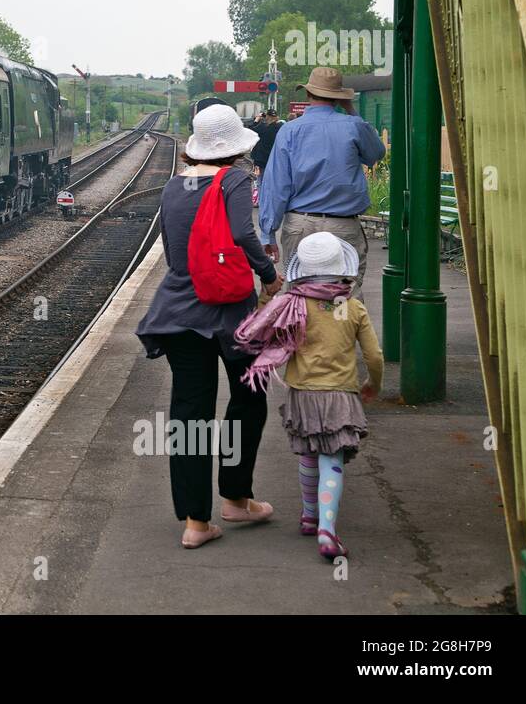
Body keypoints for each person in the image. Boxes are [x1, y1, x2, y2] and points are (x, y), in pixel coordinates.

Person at [136, 103, 284, 549]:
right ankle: (236, 498)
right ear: (234, 147)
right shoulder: (235, 178)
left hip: (179, 313)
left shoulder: (173, 186)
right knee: (248, 398)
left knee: (189, 414)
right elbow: (242, 232)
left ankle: (195, 523)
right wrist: (268, 273)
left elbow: (172, 251)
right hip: (230, 315)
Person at [234, 232, 382, 560]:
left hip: (302, 393)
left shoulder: (293, 305)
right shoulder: (352, 307)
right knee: (333, 458)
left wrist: (263, 295)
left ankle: (309, 515)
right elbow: (374, 356)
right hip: (340, 394)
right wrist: (374, 383)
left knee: (308, 454)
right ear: (342, 267)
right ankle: (327, 531)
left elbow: (263, 325)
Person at [258, 67, 385, 288]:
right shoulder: (353, 126)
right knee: (345, 298)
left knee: (299, 299)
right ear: (338, 98)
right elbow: (376, 153)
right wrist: (352, 109)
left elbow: (276, 185)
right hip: (343, 226)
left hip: (300, 224)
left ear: (308, 94)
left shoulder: (289, 131)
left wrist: (268, 233)